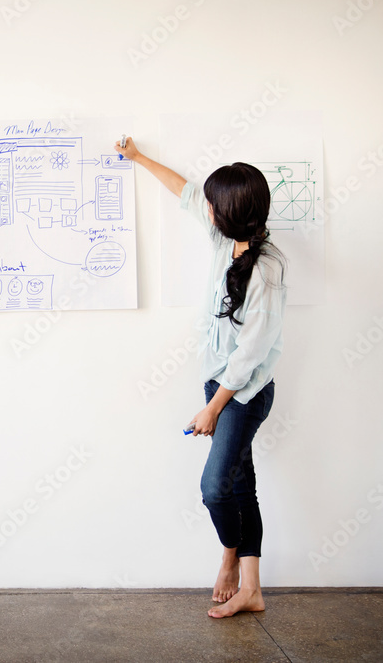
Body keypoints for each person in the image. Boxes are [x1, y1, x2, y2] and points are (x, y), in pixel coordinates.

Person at [114, 137, 287, 619]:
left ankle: (231, 558)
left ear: (230, 212)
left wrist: (213, 408)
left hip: (245, 393)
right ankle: (253, 590)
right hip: (217, 386)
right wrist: (138, 157)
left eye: (213, 202)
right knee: (241, 484)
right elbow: (185, 191)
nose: (205, 206)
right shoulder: (221, 239)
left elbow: (250, 354)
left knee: (215, 488)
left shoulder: (267, 270)